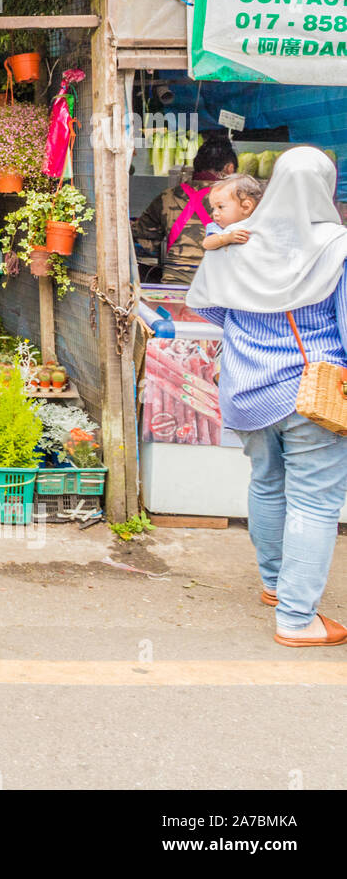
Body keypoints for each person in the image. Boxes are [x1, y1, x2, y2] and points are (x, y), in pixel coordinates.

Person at [187, 147, 347, 647]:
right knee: (315, 503)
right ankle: (298, 619)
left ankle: (275, 586)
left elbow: (212, 312)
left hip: (247, 387)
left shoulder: (236, 242)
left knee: (267, 482)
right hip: (312, 390)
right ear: (327, 186)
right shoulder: (336, 246)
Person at [133, 131, 237, 284]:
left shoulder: (168, 196)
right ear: (229, 168)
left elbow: (145, 241)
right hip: (219, 285)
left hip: (175, 284)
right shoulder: (235, 199)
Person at [202, 174, 264, 252]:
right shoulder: (217, 227)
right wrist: (227, 238)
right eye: (213, 208)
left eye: (220, 207)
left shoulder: (258, 224)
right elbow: (206, 243)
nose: (215, 213)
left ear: (246, 207)